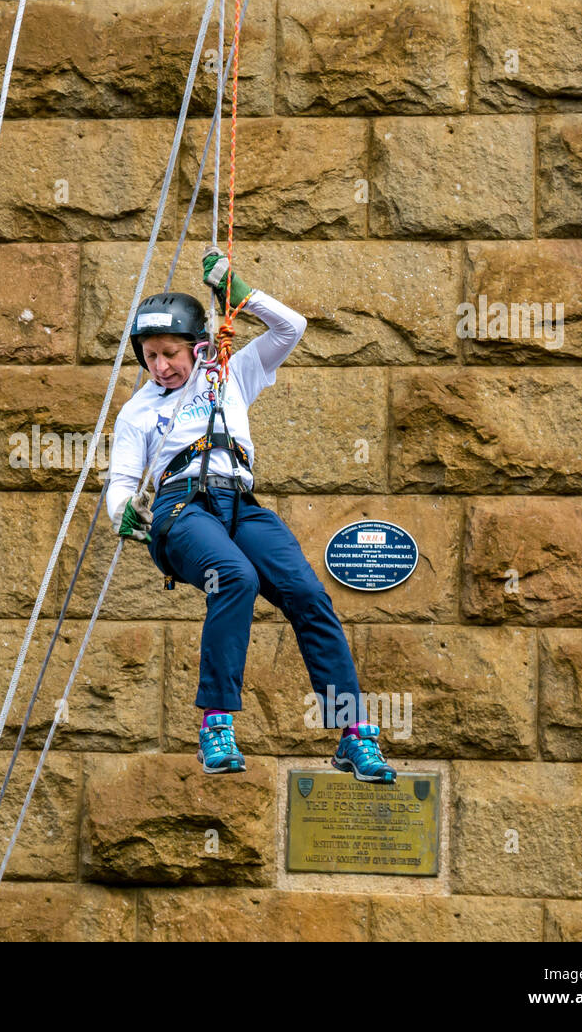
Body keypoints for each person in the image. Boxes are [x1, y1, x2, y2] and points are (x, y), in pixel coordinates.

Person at [103, 248, 397, 782]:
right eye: (149, 356)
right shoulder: (138, 411)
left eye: (171, 353)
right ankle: (216, 724)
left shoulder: (233, 373)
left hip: (239, 503)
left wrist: (242, 294)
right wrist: (124, 514)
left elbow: (292, 329)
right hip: (181, 508)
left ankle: (353, 734)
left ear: (197, 347)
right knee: (234, 576)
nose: (161, 366)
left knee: (306, 594)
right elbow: (123, 481)